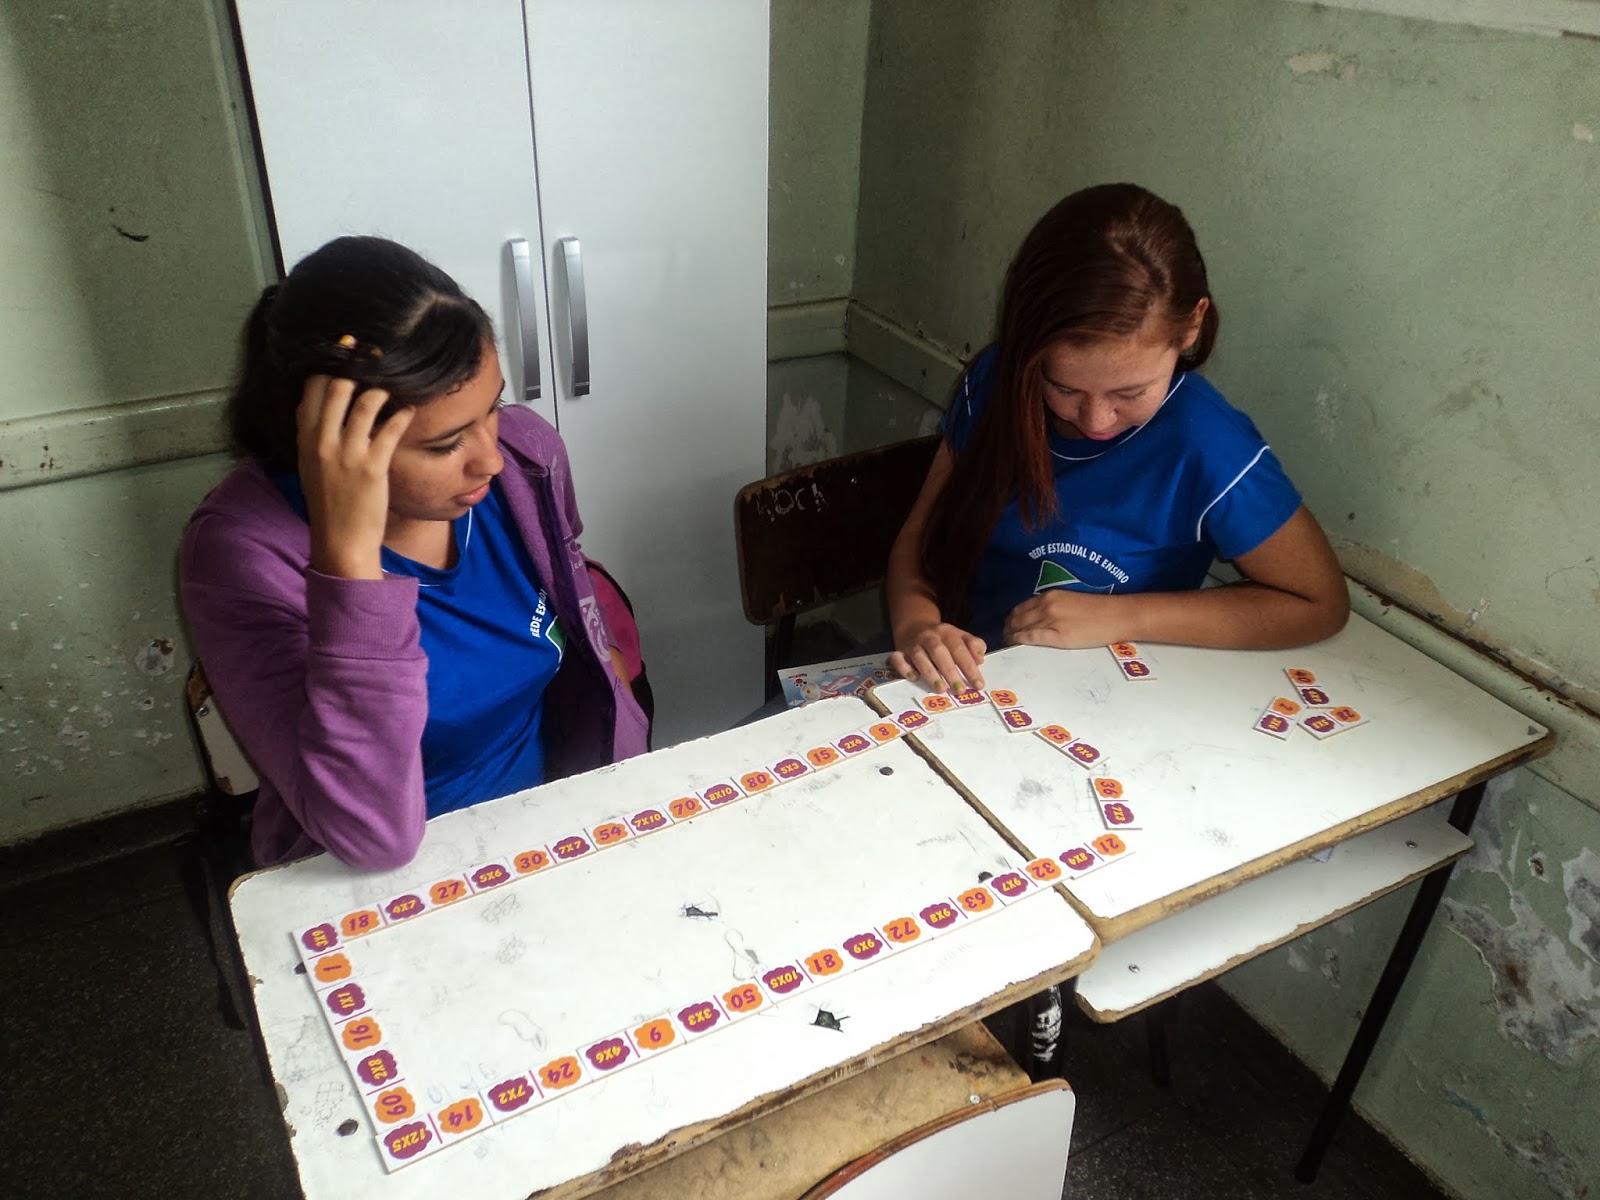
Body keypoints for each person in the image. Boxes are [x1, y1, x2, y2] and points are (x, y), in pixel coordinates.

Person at [181, 236, 650, 870]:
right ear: (331, 444)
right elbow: (371, 837)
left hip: (549, 819)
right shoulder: (242, 554)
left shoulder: (525, 461)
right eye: (444, 444)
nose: (490, 454)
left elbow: (572, 608)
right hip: (374, 878)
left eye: (494, 407)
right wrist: (348, 562)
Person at [887, 184, 1348, 692]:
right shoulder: (996, 382)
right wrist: (918, 625)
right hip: (958, 673)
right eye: (1062, 386)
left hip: (1099, 699)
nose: (1096, 419)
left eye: (1131, 391)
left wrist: (1123, 617)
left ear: (1190, 326)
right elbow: (920, 538)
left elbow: (1319, 603)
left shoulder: (1207, 445)